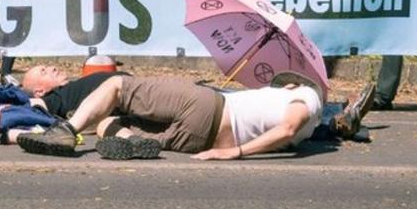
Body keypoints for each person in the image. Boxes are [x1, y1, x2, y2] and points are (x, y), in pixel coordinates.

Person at [17, 72, 322, 160]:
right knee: (107, 123)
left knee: (117, 86)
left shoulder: (306, 96)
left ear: (296, 85)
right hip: (199, 141)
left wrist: (234, 153)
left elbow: (287, 126)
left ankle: (66, 130)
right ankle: (133, 142)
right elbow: (287, 134)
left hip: (206, 106)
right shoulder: (307, 135)